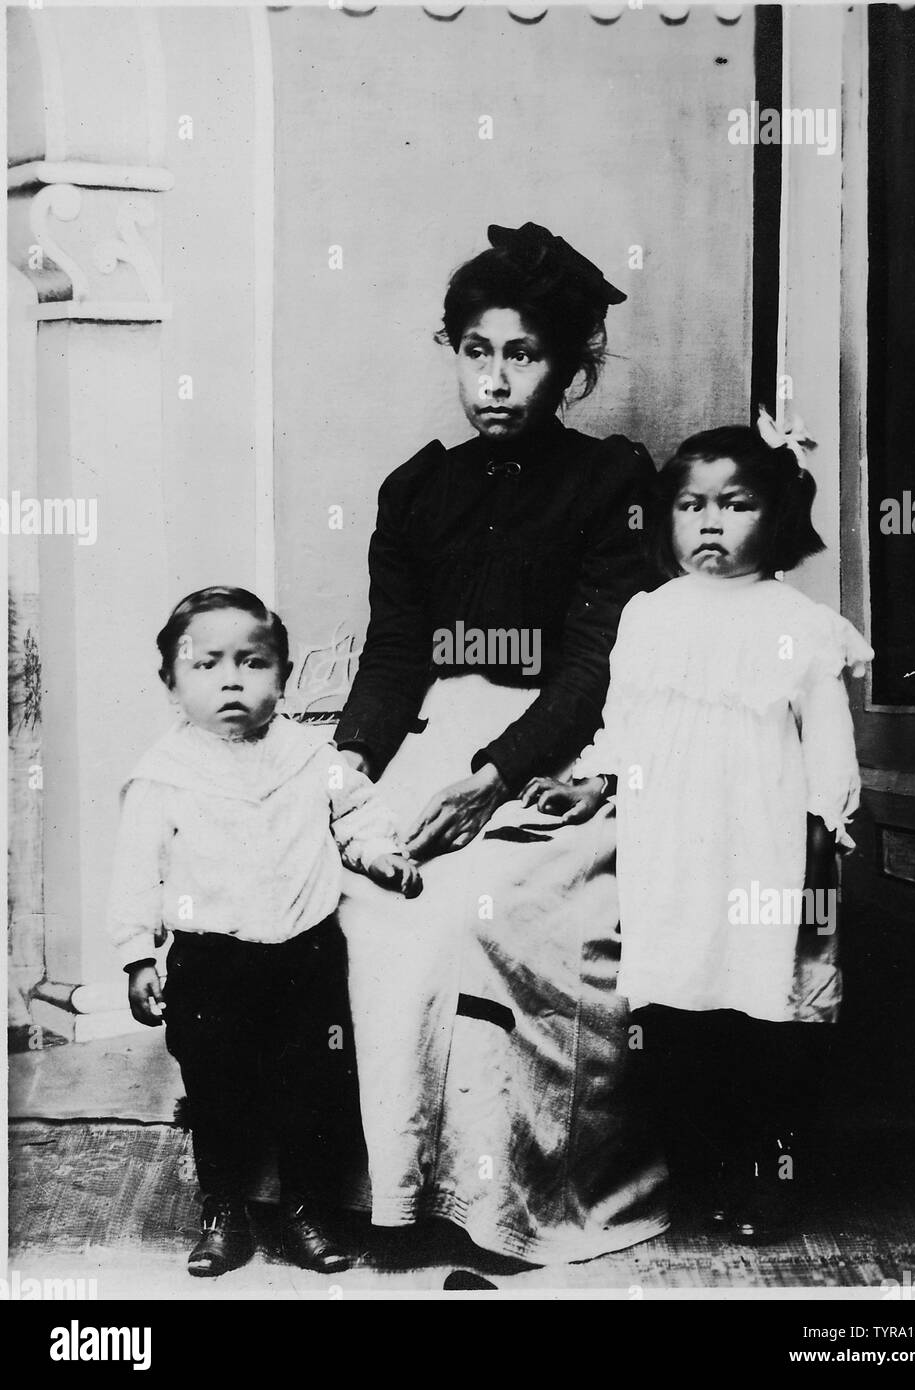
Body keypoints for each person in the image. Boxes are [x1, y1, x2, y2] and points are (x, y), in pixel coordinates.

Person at [333, 223, 667, 1263]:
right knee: (350, 901)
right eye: (476, 351)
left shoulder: (610, 484)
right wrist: (347, 765)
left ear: (569, 370)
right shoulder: (414, 491)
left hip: (553, 754)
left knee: (464, 917)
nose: (493, 379)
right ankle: (375, 1191)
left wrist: (491, 781)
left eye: (522, 355)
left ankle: (484, 1203)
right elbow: (393, 658)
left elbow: (589, 668)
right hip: (429, 739)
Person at [523, 411, 873, 1241]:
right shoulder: (650, 615)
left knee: (769, 1010)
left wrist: (826, 830)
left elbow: (829, 743)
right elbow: (626, 722)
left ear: (778, 516)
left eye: (736, 503)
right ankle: (704, 1169)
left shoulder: (797, 623)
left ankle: (772, 1174)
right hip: (673, 842)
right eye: (690, 505)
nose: (710, 521)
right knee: (679, 1007)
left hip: (766, 844)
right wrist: (595, 783)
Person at [107, 586, 421, 1277]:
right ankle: (225, 1212)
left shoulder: (312, 756)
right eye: (205, 664)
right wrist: (137, 957)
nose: (230, 679)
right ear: (171, 683)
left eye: (252, 663)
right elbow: (138, 873)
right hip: (210, 960)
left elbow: (358, 813)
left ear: (282, 676)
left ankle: (309, 1210)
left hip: (304, 956)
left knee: (314, 1085)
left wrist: (378, 852)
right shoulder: (164, 774)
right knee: (217, 1087)